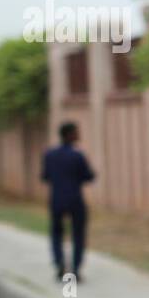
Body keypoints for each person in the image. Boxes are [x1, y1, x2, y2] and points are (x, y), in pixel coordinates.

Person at [41, 121, 95, 282]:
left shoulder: (49, 154)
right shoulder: (77, 155)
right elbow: (89, 176)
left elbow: (45, 176)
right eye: (77, 132)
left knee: (56, 233)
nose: (79, 135)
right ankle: (75, 270)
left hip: (56, 200)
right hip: (75, 200)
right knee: (78, 234)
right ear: (69, 135)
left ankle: (59, 266)